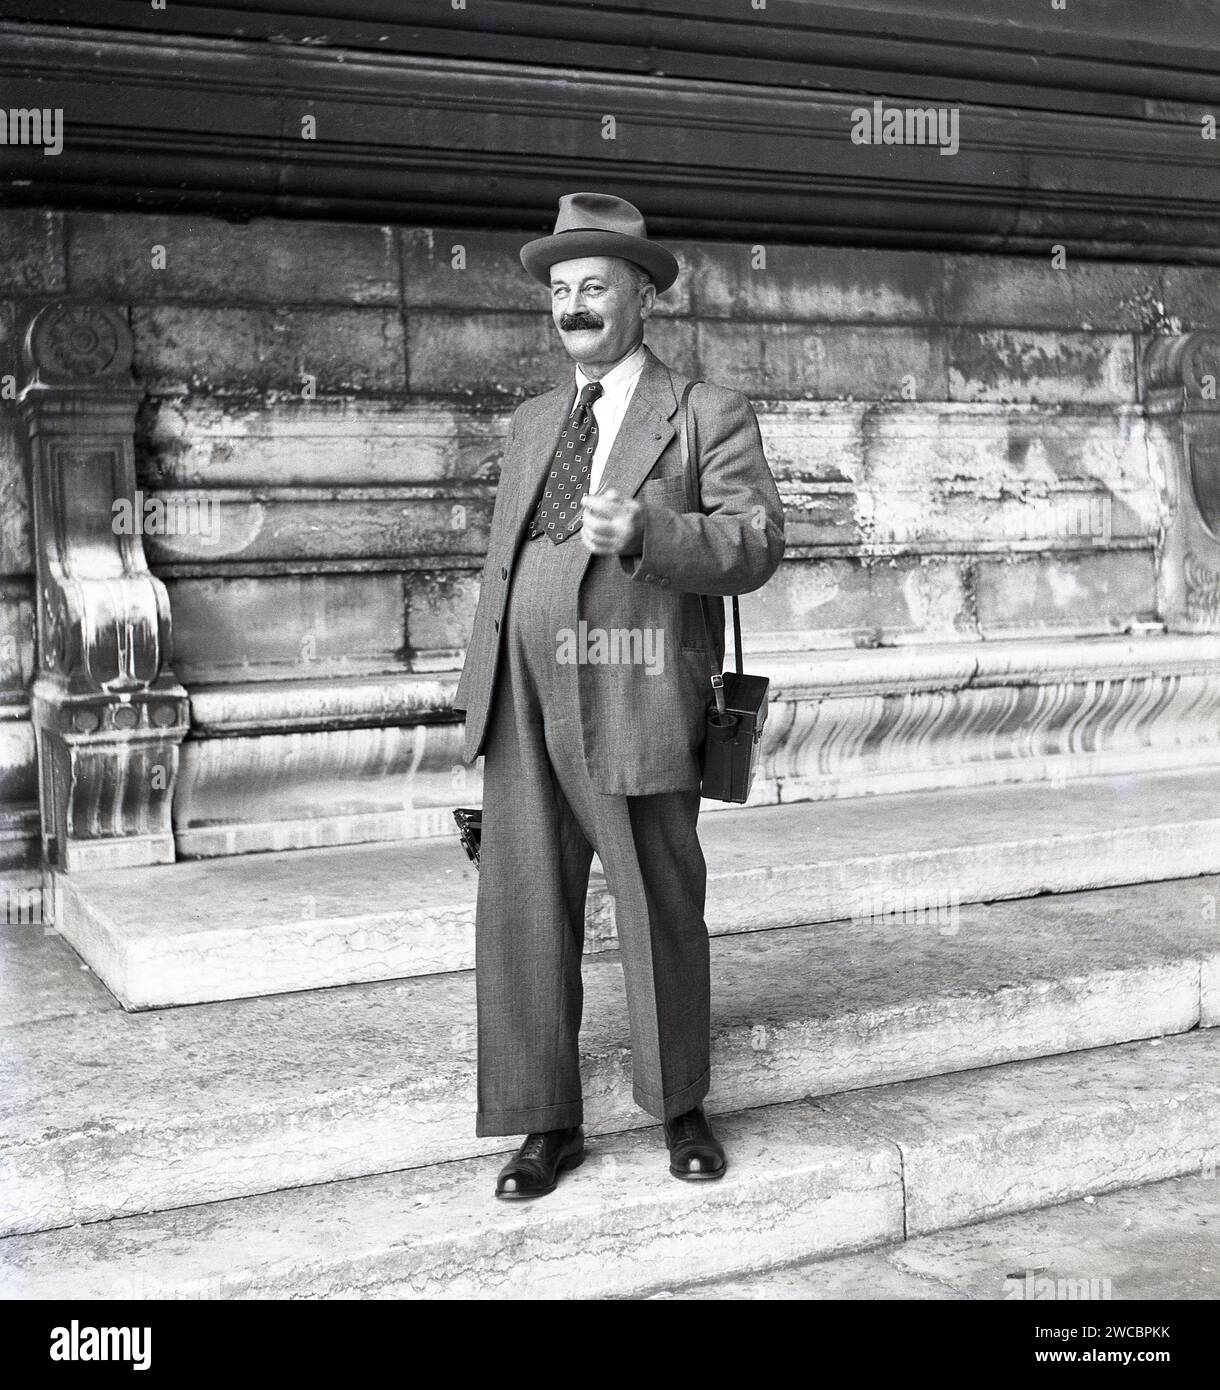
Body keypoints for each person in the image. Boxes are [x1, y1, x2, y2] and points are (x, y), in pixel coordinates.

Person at [452, 192, 786, 1199]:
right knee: (520, 910)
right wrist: (476, 707)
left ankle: (679, 1101)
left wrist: (651, 530)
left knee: (657, 903)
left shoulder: (705, 414)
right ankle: (542, 1121)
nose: (574, 306)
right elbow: (503, 569)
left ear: (642, 298)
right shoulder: (529, 423)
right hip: (522, 697)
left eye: (594, 286)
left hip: (634, 689)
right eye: (560, 291)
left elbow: (756, 543)